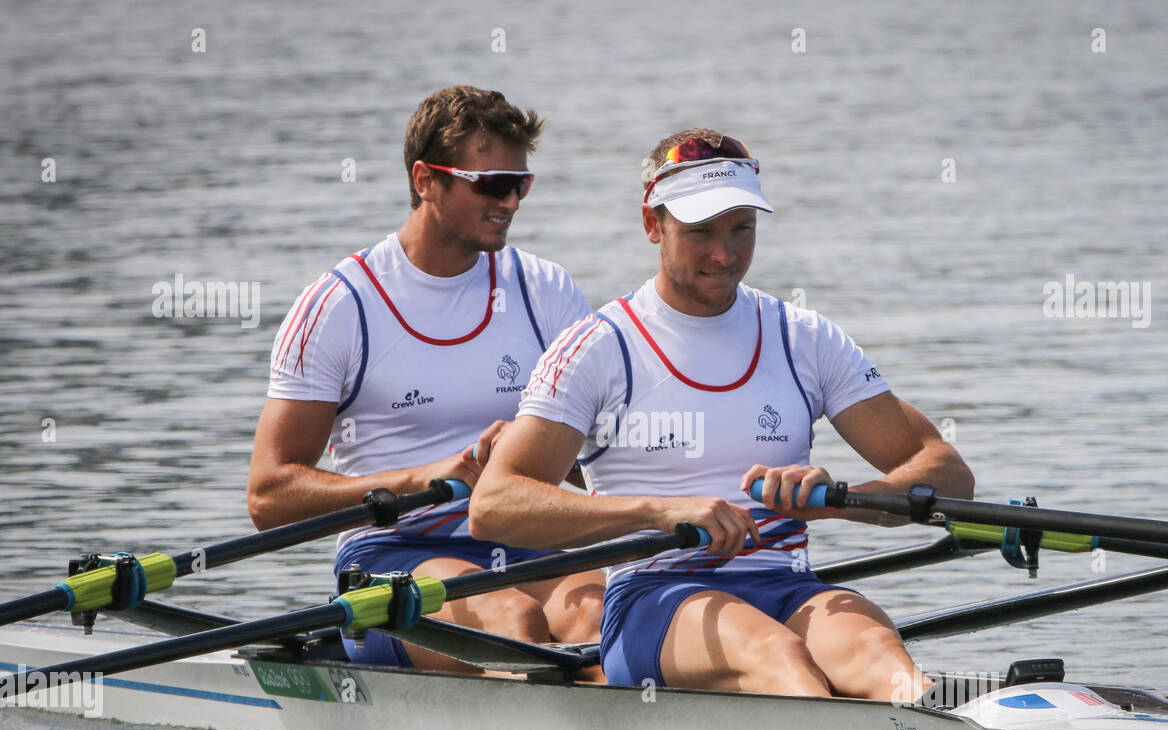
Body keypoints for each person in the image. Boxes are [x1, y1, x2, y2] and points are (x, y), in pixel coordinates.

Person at [469, 129, 974, 699]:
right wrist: (659, 511)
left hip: (786, 586)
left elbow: (948, 473)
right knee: (778, 656)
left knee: (884, 660)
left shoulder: (803, 337)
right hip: (654, 599)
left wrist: (837, 500)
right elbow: (494, 505)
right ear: (652, 224)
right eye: (700, 232)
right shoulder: (597, 348)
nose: (725, 255)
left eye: (742, 229)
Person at [247, 86, 603, 673]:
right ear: (425, 180)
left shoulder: (547, 292)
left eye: (520, 183)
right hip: (396, 554)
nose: (510, 201)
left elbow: (597, 459)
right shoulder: (341, 306)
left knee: (596, 615)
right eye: (490, 183)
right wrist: (425, 476)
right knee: (512, 623)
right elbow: (268, 495)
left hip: (524, 533)